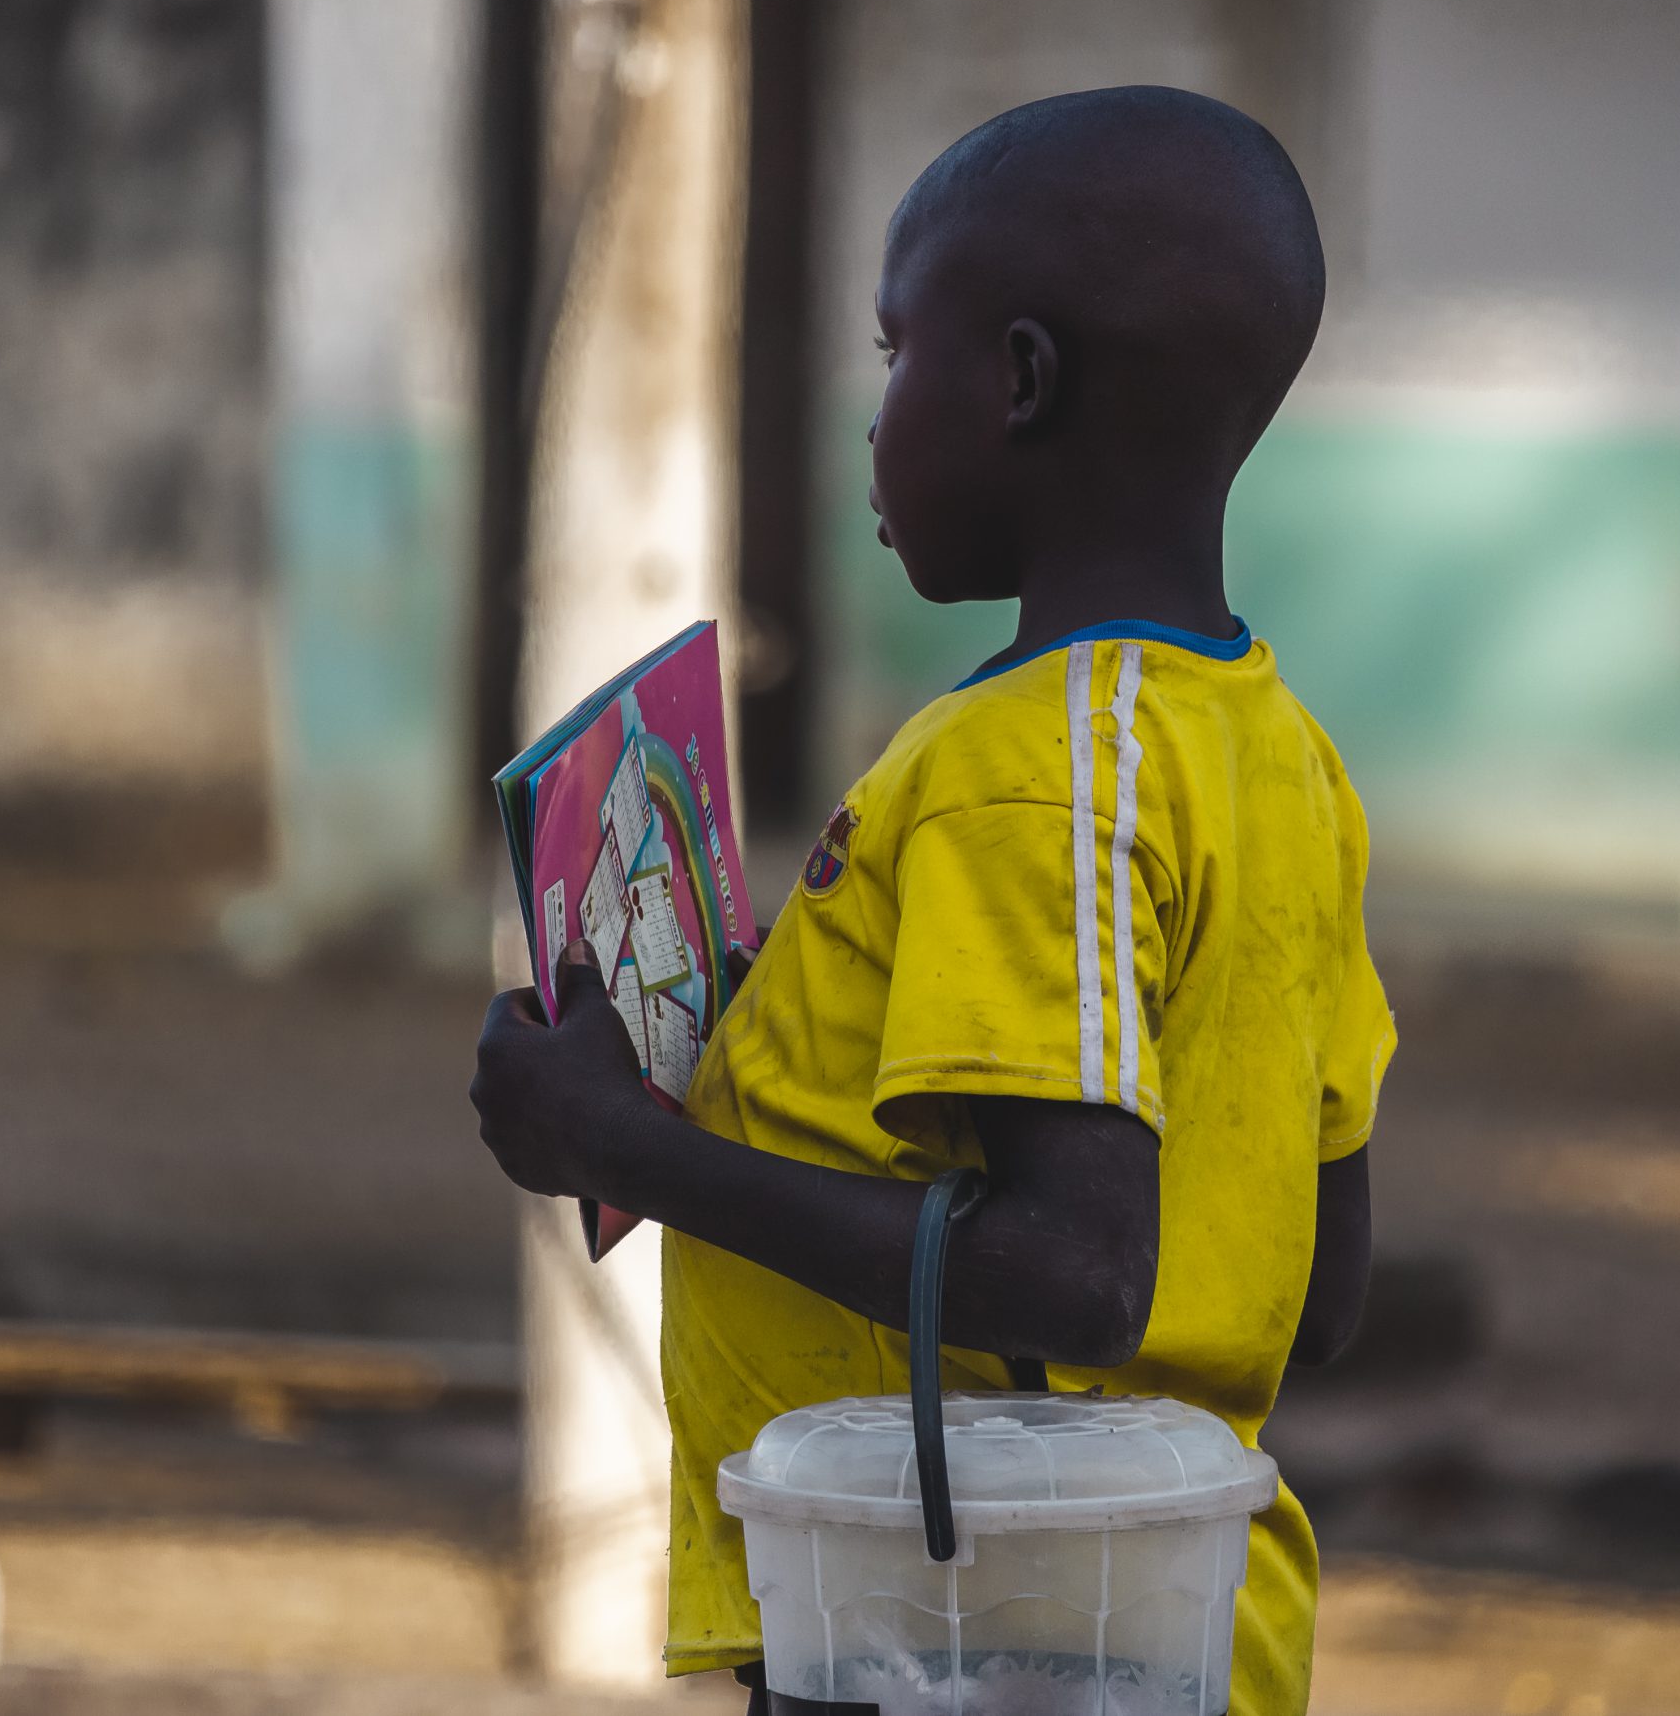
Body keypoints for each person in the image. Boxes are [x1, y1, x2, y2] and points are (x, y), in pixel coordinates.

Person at [470, 86, 1391, 1716]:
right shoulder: (1280, 754)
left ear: (1021, 381)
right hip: (1142, 1621)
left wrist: (618, 1147)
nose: (872, 414)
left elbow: (1076, 1278)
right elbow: (1315, 1292)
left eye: (897, 352)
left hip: (979, 1636)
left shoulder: (1020, 772)